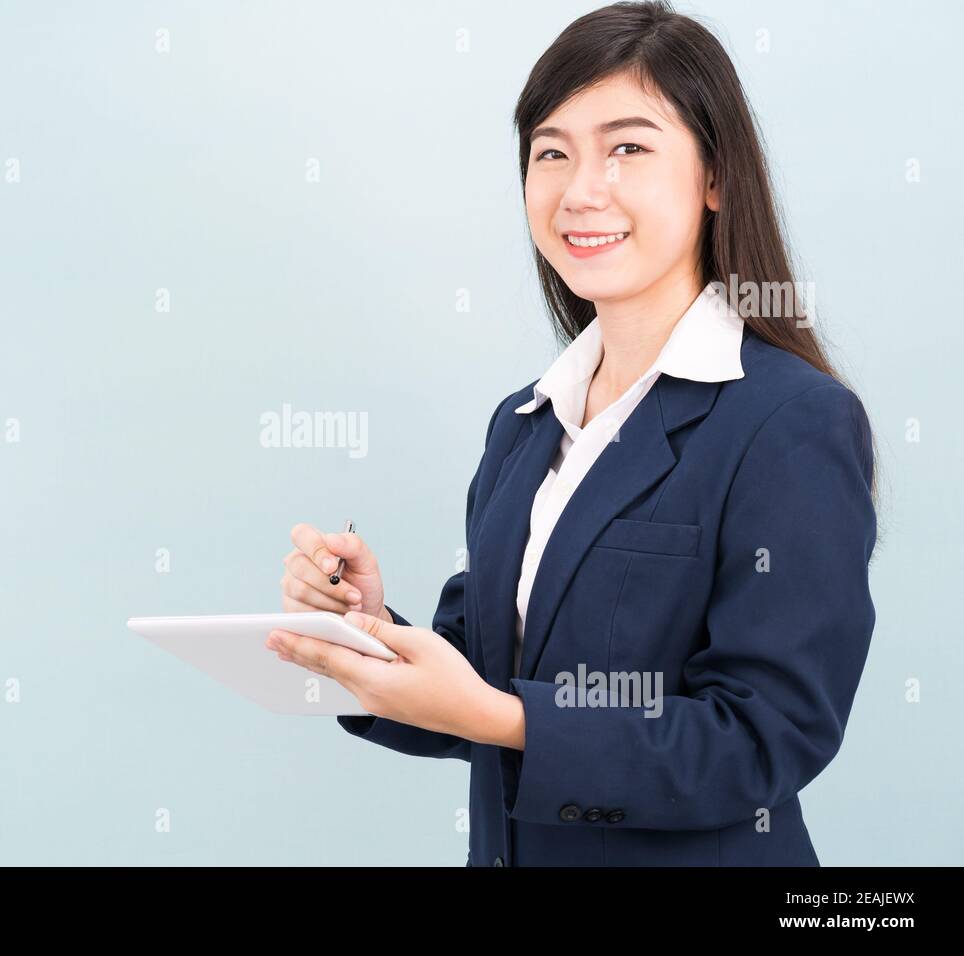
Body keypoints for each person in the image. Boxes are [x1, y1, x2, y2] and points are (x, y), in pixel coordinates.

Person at [267, 0, 878, 866]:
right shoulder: (525, 421)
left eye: (628, 147)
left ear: (715, 178)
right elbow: (483, 685)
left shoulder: (790, 422)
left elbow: (764, 739)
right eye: (551, 152)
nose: (581, 189)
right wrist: (369, 630)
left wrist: (499, 717)